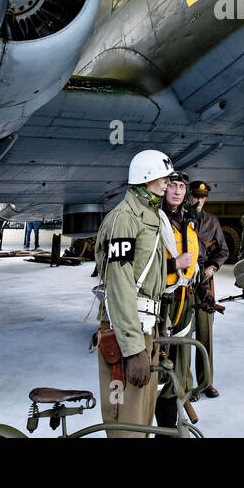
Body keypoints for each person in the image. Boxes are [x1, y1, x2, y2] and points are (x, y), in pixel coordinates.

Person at [92, 149, 176, 438]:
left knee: (141, 422)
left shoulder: (152, 218)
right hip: (126, 332)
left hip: (146, 330)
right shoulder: (125, 219)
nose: (167, 183)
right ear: (145, 178)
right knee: (125, 426)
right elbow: (119, 285)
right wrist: (133, 349)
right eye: (162, 178)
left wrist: (157, 335)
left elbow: (154, 285)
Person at [154, 171, 199, 435]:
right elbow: (143, 264)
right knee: (161, 365)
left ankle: (172, 420)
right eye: (172, 185)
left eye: (182, 187)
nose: (178, 191)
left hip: (185, 299)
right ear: (164, 188)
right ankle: (163, 425)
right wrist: (174, 264)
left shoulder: (187, 220)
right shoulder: (154, 219)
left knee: (180, 365)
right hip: (164, 300)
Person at [190, 180, 227, 398]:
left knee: (205, 335)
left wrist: (213, 267)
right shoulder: (181, 218)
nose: (199, 199)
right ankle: (184, 385)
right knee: (182, 335)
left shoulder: (212, 221)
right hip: (183, 281)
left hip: (204, 282)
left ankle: (205, 383)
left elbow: (223, 250)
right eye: (195, 195)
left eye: (202, 196)